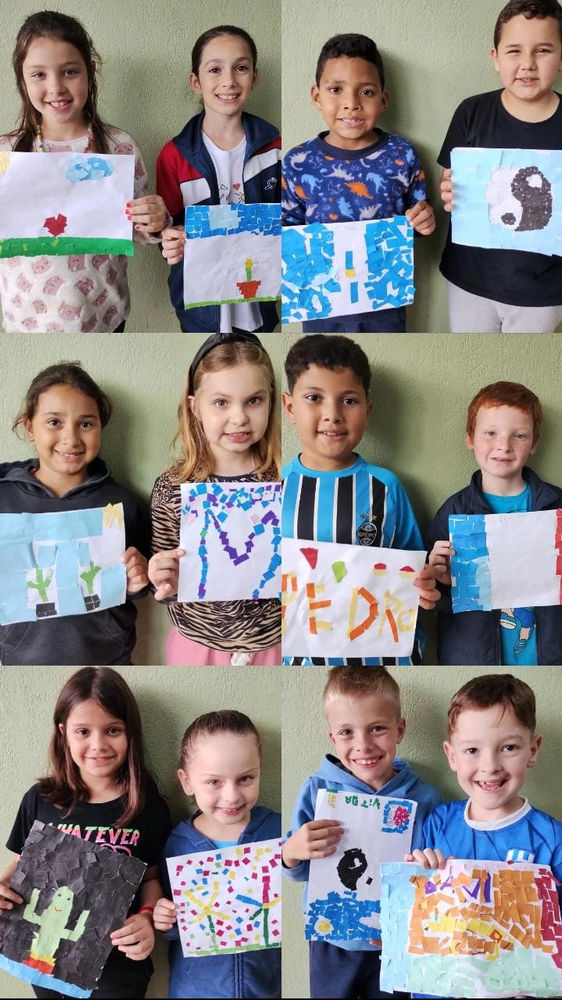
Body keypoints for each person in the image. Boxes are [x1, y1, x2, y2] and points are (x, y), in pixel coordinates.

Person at [0, 667, 171, 999]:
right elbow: (22, 863)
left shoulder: (148, 806)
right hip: (47, 961)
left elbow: (151, 878)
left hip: (119, 965)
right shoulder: (41, 799)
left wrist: (147, 918)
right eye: (83, 732)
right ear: (63, 732)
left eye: (112, 730)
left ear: (130, 732)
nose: (98, 745)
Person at [0, 10, 168, 333]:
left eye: (69, 71)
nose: (56, 87)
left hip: (104, 316)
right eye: (38, 75)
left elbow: (138, 230)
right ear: (22, 81)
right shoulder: (7, 155)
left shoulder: (120, 147)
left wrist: (157, 221)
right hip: (27, 321)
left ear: (89, 74)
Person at [283, 666, 442, 1000]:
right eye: (347, 732)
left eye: (377, 729)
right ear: (332, 737)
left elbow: (430, 879)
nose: (363, 745)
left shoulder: (423, 797)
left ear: (400, 730)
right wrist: (292, 851)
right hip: (331, 940)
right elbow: (296, 870)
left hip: (395, 939)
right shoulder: (317, 790)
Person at [282, 334, 439, 665]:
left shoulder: (386, 487)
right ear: (289, 407)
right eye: (314, 397)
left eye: (348, 401)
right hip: (305, 660)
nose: (332, 415)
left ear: (367, 410)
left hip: (385, 657)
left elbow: (415, 568)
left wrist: (423, 583)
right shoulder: (273, 490)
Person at [282, 32, 435, 333]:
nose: (351, 104)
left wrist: (425, 221)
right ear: (316, 96)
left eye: (365, 92)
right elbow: (286, 230)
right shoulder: (298, 161)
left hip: (384, 304)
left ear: (383, 98)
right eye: (336, 89)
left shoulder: (401, 154)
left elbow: (417, 217)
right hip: (321, 306)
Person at [0, 361, 149, 665]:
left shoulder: (120, 503)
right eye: (54, 422)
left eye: (85, 423)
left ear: (100, 428)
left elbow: (139, 583)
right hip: (21, 660)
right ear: (29, 427)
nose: (70, 438)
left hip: (108, 659)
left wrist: (137, 581)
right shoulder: (4, 498)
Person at [148, 331, 281, 665]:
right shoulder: (171, 487)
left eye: (254, 400)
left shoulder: (288, 480)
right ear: (195, 407)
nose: (239, 417)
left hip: (277, 644)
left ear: (271, 400)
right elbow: (164, 577)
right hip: (196, 646)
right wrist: (164, 580)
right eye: (221, 402)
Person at [439, 0, 562, 333]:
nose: (527, 64)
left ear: (561, 56)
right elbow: (450, 181)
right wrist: (448, 191)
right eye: (514, 51)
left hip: (543, 290)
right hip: (469, 279)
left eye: (543, 50)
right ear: (495, 57)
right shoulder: (471, 112)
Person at [426, 380, 562, 665]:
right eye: (490, 433)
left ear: (535, 443)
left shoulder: (556, 505)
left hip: (550, 659)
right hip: (475, 659)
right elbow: (429, 597)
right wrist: (439, 580)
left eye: (519, 436)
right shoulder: (454, 512)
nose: (503, 446)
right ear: (470, 438)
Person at [157, 25, 281, 333]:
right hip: (200, 310)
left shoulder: (277, 147)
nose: (228, 81)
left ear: (254, 77)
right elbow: (165, 231)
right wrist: (166, 241)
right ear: (196, 82)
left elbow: (288, 221)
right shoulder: (174, 155)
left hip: (260, 304)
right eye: (215, 69)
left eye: (240, 68)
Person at [153, 710, 281, 999]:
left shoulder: (278, 832)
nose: (232, 796)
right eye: (214, 782)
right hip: (195, 992)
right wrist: (165, 920)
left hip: (266, 990)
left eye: (245, 778)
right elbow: (174, 924)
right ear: (186, 782)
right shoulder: (177, 844)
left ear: (261, 769)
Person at [411, 672, 562, 894]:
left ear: (533, 750)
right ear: (452, 756)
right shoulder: (437, 823)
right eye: (472, 750)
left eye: (509, 748)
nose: (490, 766)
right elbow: (416, 899)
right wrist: (416, 871)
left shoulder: (553, 839)